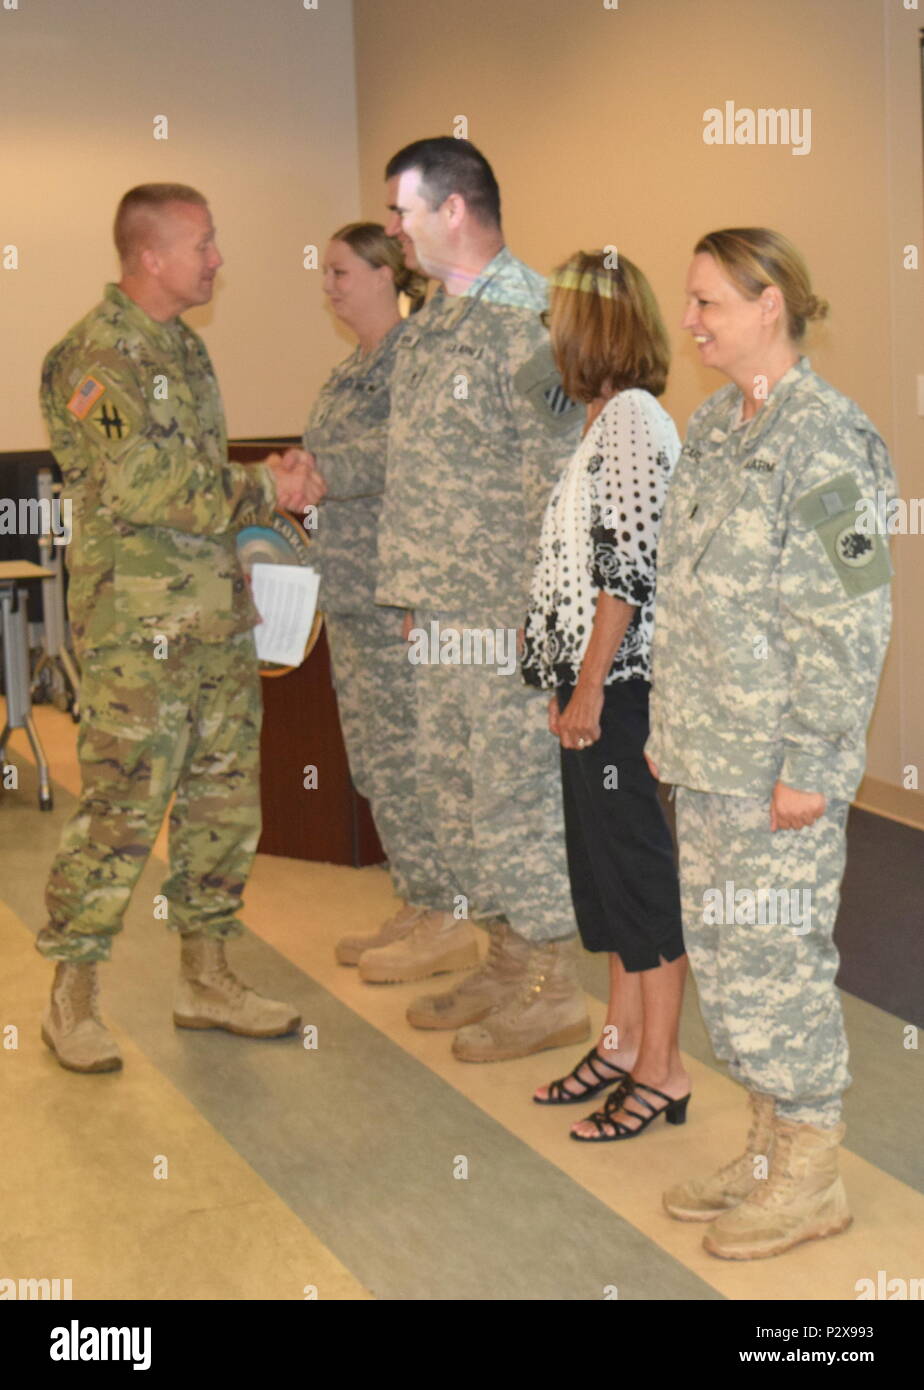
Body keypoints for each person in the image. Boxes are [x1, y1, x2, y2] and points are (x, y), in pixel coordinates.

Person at [647, 228, 895, 1257]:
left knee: (780, 960)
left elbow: (850, 620)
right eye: (692, 301)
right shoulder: (711, 423)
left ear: (768, 306)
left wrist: (814, 765)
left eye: (708, 302)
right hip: (706, 757)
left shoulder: (830, 441)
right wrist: (667, 728)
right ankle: (762, 1148)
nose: (692, 320)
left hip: (775, 769)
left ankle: (810, 1174)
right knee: (728, 957)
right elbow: (684, 594)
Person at [38, 182, 314, 1073]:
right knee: (120, 814)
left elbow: (195, 484)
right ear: (149, 256)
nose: (217, 258)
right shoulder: (89, 360)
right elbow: (147, 484)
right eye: (203, 243)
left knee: (223, 808)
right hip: (136, 636)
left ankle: (207, 978)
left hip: (216, 624)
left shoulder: (186, 352)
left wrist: (259, 506)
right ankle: (71, 996)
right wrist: (270, 487)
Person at [373, 136, 589, 1062]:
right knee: (461, 801)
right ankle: (506, 961)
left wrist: (548, 633)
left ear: (453, 210)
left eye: (402, 210)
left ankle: (556, 988)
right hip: (443, 619)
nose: (395, 228)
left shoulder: (533, 325)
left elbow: (563, 483)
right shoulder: (428, 327)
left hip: (506, 622)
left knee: (518, 807)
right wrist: (418, 596)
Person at [523, 251, 690, 1139]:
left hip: (617, 689)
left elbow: (628, 568)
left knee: (636, 877)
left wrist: (587, 687)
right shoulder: (601, 420)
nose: (549, 332)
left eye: (558, 316)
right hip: (592, 685)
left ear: (593, 325)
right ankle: (624, 1044)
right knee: (607, 882)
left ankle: (663, 1068)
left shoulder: (630, 418)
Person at [299, 223, 469, 977]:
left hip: (399, 596)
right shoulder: (345, 372)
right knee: (377, 760)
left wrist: (315, 469)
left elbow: (400, 451)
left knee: (415, 757)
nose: (329, 285)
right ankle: (419, 897)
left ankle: (450, 913)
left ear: (383, 274)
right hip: (348, 594)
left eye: (340, 272)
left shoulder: (416, 360)